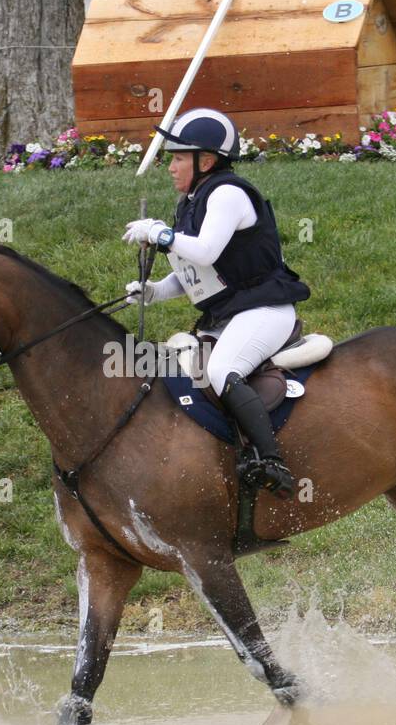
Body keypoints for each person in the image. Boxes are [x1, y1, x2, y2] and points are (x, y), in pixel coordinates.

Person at [122, 109, 311, 499]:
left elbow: (205, 251)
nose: (171, 167)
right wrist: (156, 290)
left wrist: (160, 233)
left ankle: (271, 462)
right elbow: (198, 274)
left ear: (205, 160)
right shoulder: (190, 202)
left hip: (265, 311)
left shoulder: (227, 193)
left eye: (178, 157)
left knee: (223, 369)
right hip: (229, 314)